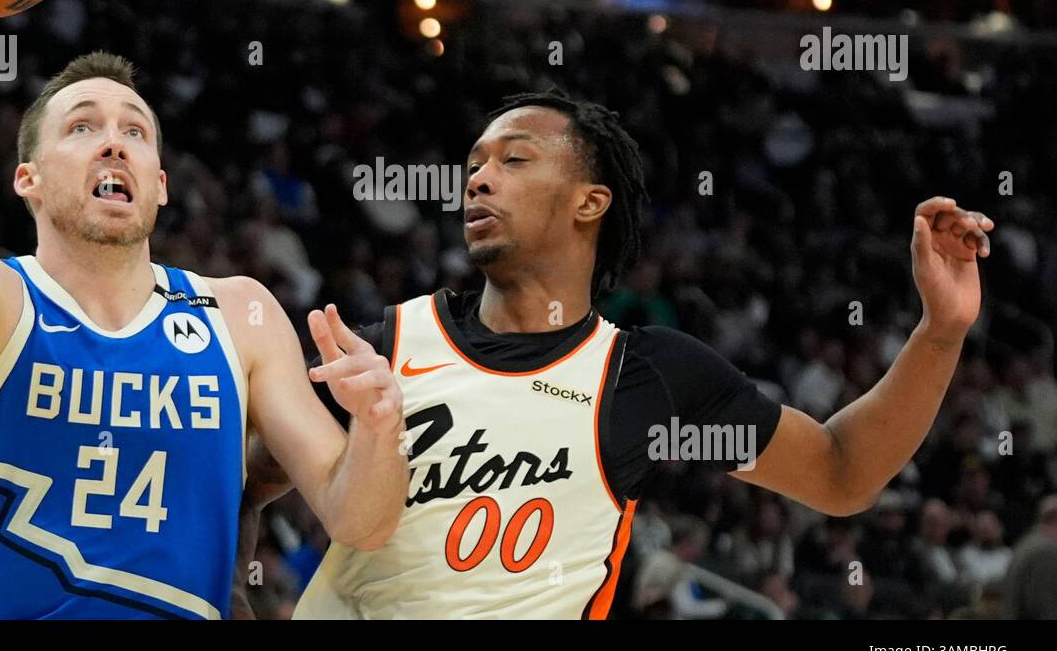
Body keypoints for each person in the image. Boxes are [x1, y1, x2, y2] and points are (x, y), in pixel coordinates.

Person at [244, 90, 993, 619]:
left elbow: (841, 472)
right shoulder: (381, 346)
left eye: (514, 159)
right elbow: (242, 483)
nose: (477, 177)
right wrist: (233, 601)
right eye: (475, 162)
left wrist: (941, 332)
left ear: (589, 202)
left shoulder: (651, 376)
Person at [0, 0, 406, 619]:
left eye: (135, 131)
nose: (113, 144)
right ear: (27, 179)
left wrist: (377, 427)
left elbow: (360, 520)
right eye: (82, 127)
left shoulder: (240, 312)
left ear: (160, 183)